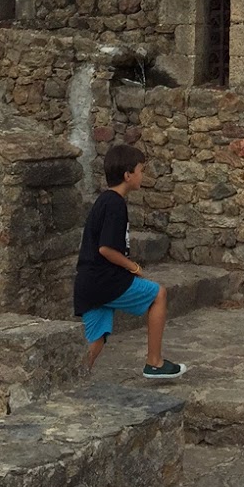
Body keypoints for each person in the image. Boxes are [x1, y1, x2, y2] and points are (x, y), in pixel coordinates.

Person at [73, 143, 186, 380]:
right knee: (158, 294)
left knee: (96, 338)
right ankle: (154, 362)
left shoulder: (104, 201)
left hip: (88, 282)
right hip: (104, 280)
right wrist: (133, 267)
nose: (142, 175)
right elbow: (106, 249)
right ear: (127, 175)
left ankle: (75, 378)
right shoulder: (115, 204)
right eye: (140, 170)